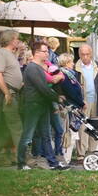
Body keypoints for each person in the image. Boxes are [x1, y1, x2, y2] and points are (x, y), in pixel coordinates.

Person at [18, 40, 66, 171]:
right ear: (37, 53)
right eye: (45, 51)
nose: (47, 54)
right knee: (28, 135)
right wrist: (57, 98)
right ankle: (21, 163)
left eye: (47, 51)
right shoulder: (32, 68)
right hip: (33, 106)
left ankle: (52, 162)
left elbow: (46, 88)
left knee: (46, 135)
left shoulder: (39, 68)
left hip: (43, 105)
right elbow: (43, 88)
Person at [0, 30, 24, 160]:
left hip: (13, 92)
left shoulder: (9, 53)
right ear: (10, 40)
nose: (18, 41)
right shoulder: (2, 53)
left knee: (4, 128)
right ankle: (22, 157)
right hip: (7, 94)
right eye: (17, 39)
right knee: (17, 127)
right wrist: (7, 93)